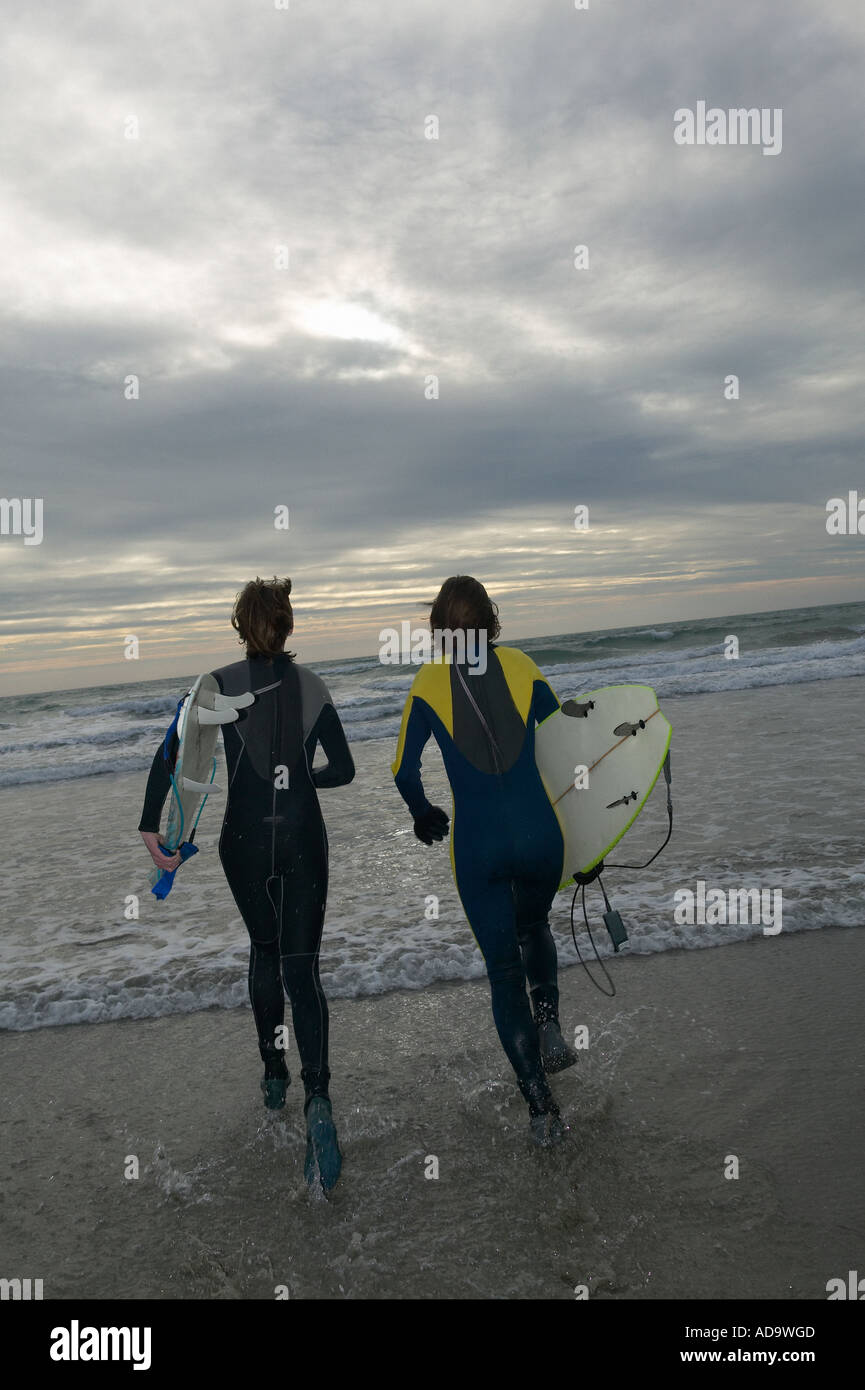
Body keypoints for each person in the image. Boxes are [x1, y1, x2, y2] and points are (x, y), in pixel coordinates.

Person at [138, 576, 354, 1192]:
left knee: (264, 953)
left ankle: (273, 1075)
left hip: (244, 841)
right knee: (302, 969)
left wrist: (154, 829)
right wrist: (302, 778)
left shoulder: (215, 685)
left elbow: (173, 757)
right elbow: (343, 768)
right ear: (288, 625)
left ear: (239, 626)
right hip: (303, 836)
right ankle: (319, 1102)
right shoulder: (312, 686)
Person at [391, 576, 576, 1146]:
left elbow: (402, 771)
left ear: (440, 629)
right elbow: (570, 737)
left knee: (502, 971)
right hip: (543, 836)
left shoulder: (427, 682)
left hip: (479, 847)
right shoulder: (523, 666)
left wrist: (425, 814)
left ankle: (542, 1111)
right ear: (491, 620)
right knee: (536, 924)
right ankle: (549, 1025)